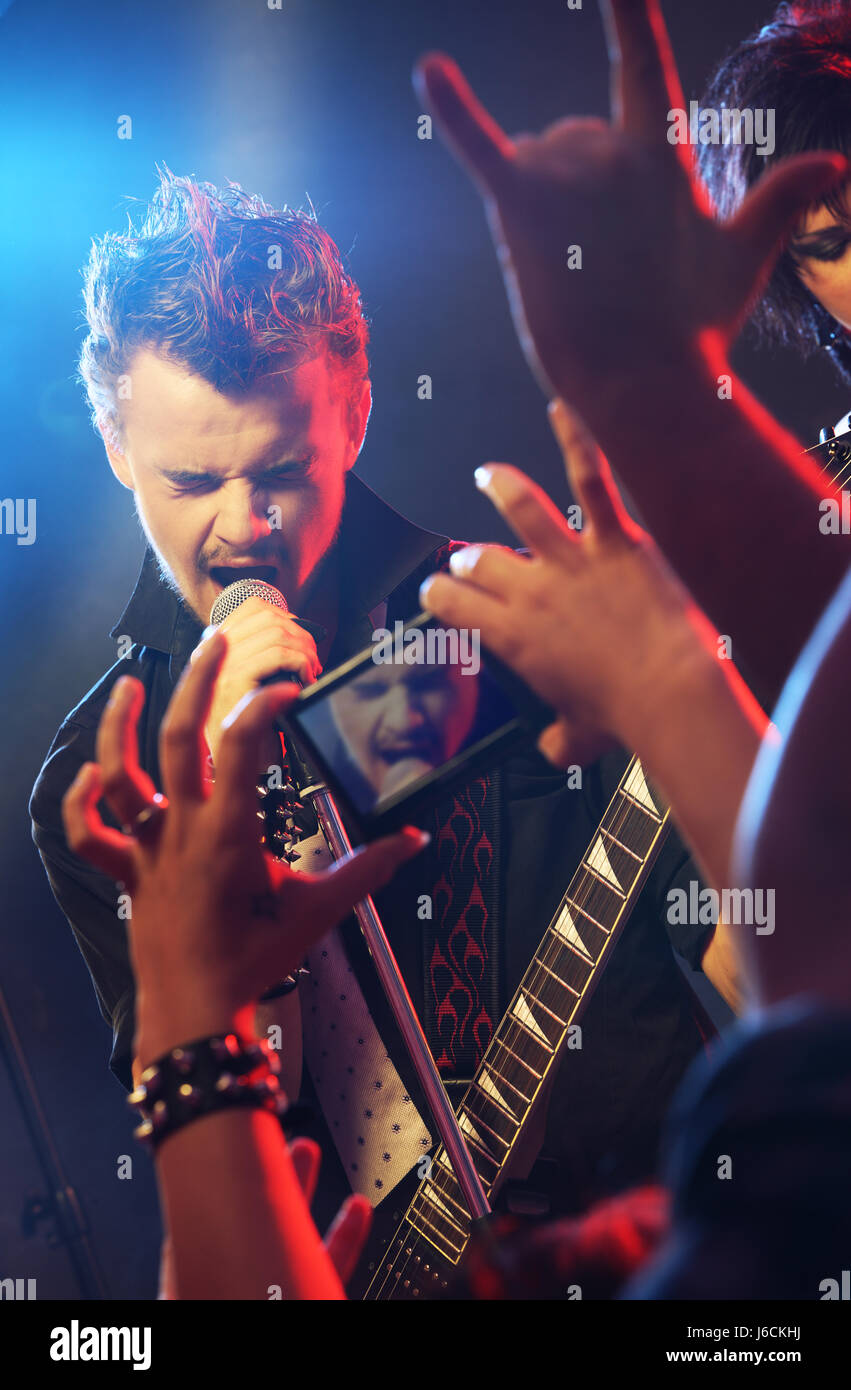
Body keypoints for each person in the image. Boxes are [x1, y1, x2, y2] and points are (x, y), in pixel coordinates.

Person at [29, 155, 730, 1284]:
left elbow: (747, 966)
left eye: (282, 473)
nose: (242, 527)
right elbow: (211, 1122)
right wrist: (225, 793)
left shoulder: (507, 623)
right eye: (190, 480)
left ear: (355, 415)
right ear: (116, 449)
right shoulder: (98, 784)